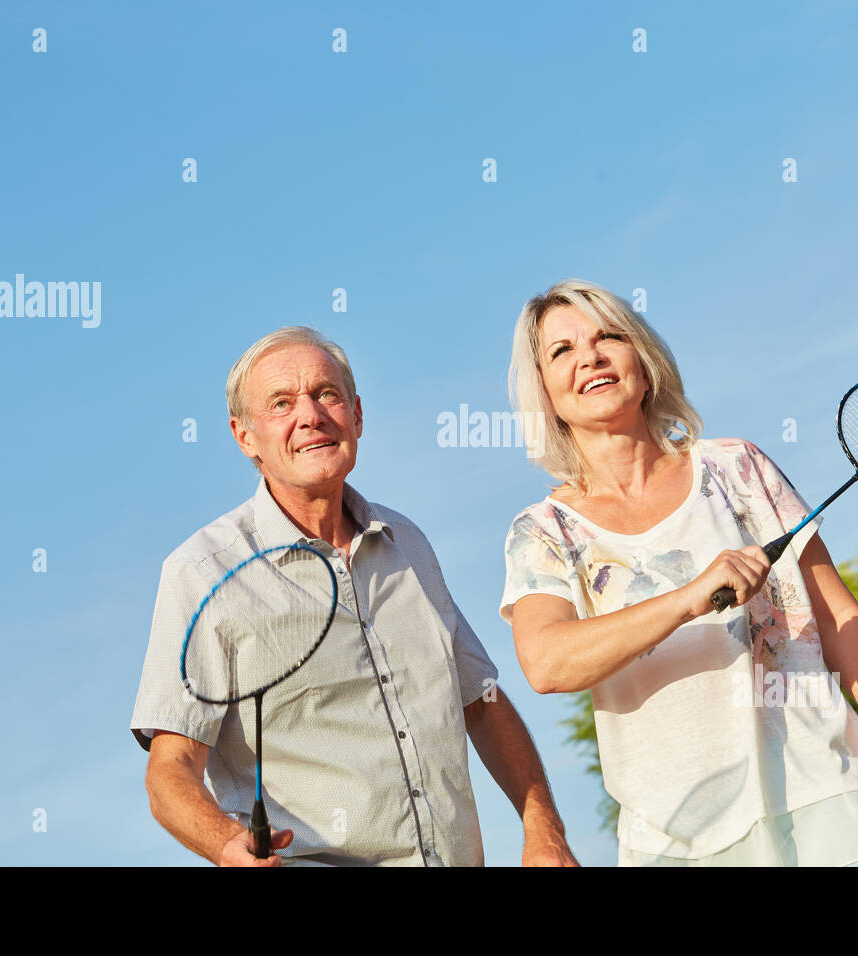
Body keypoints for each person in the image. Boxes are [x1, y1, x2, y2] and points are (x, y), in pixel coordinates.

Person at [499, 279, 858, 866]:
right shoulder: (544, 531)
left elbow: (839, 615)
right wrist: (687, 599)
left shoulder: (737, 467)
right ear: (543, 392)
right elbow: (546, 662)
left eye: (607, 336)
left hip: (831, 796)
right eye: (560, 351)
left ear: (643, 364)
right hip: (678, 841)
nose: (589, 356)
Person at [131, 326, 577, 867]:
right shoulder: (203, 574)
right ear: (244, 437)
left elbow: (481, 705)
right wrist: (226, 845)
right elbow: (170, 770)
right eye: (280, 404)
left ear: (356, 416)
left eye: (326, 394)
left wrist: (543, 829)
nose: (311, 415)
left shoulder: (407, 543)